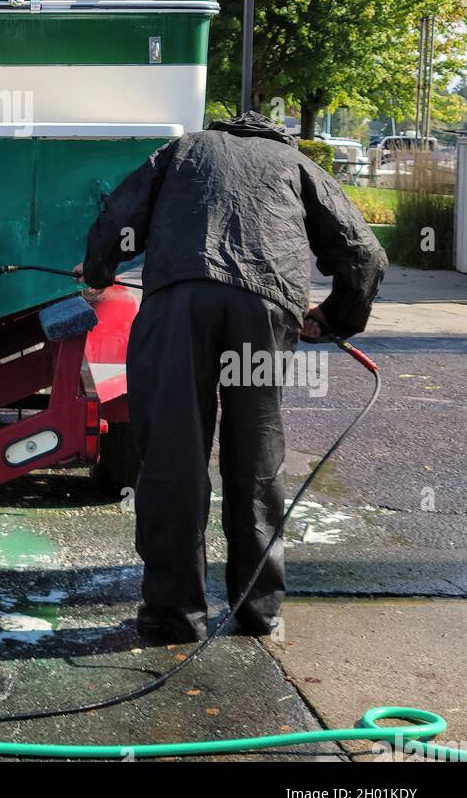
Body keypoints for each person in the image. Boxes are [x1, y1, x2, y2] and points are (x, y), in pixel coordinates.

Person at [77, 112, 387, 644]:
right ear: (273, 136)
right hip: (263, 313)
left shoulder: (184, 151)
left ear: (225, 129)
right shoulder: (297, 164)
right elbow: (364, 255)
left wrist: (100, 269)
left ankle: (175, 618)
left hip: (178, 307)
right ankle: (259, 613)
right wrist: (335, 319)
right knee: (256, 452)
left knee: (174, 455)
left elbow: (120, 215)